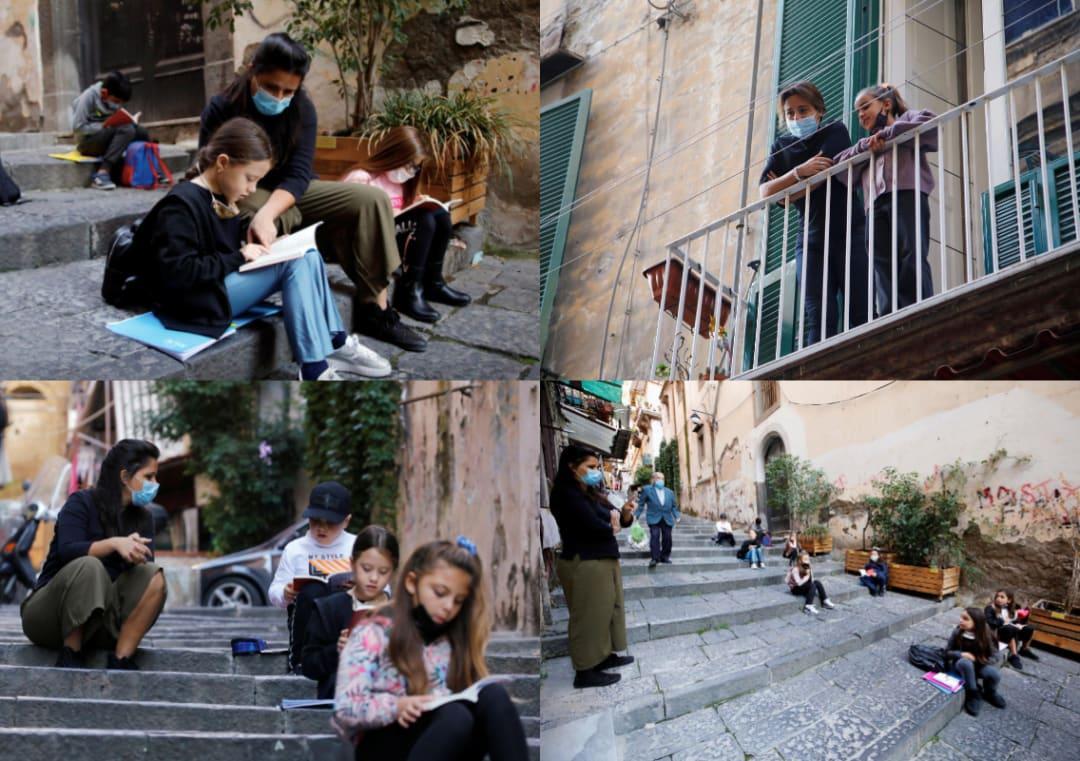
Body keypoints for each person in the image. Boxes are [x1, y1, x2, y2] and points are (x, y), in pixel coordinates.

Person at [199, 33, 426, 353]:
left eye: (288, 91)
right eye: (270, 87)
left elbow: (300, 173)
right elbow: (212, 171)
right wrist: (264, 210)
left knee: (371, 199)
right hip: (245, 188)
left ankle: (376, 308)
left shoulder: (302, 109)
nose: (278, 97)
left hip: (291, 190)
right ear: (252, 71)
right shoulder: (222, 107)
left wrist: (270, 212)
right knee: (259, 214)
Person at [134, 116, 390, 380]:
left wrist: (255, 247)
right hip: (192, 303)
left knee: (307, 253)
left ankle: (335, 341)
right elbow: (179, 272)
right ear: (223, 163)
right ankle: (314, 368)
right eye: (249, 179)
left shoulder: (222, 196)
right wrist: (239, 255)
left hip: (216, 286)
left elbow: (217, 251)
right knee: (294, 263)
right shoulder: (180, 204)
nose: (252, 189)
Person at [333, 539, 528, 761]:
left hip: (443, 738)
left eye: (458, 601)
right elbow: (345, 708)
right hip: (384, 745)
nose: (448, 607)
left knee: (494, 696)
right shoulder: (373, 632)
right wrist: (397, 706)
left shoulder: (452, 640)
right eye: (440, 592)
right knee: (456, 716)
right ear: (411, 582)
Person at [20, 439, 167, 669]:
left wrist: (136, 557)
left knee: (154, 576)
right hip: (49, 618)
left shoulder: (143, 518)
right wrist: (114, 544)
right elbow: (68, 551)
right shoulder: (81, 503)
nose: (155, 484)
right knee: (89, 566)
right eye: (149, 477)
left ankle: (121, 659)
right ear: (125, 477)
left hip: (102, 622)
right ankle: (71, 653)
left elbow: (142, 581)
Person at [759, 81, 870, 346]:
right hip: (810, 241)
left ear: (818, 111)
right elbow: (764, 192)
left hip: (850, 232)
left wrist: (787, 190)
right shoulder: (781, 146)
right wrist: (800, 171)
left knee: (860, 309)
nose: (796, 118)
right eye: (790, 113)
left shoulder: (834, 130)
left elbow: (822, 173)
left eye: (803, 110)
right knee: (819, 317)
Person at [341, 126, 472, 323]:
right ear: (393, 155)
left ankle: (433, 283)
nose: (411, 172)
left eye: (416, 167)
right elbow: (350, 222)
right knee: (424, 220)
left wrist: (419, 202)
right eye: (408, 165)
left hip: (396, 234)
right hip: (369, 240)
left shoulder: (402, 183)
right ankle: (409, 290)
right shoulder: (361, 178)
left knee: (439, 214)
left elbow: (402, 208)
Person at [834, 83, 938, 316]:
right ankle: (889, 313)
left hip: (907, 193)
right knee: (880, 259)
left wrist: (888, 134)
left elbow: (930, 122)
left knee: (910, 249)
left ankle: (917, 306)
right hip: (875, 205)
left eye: (865, 106)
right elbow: (840, 168)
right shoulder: (865, 147)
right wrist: (866, 147)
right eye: (857, 111)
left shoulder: (907, 119)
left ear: (886, 104)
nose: (860, 114)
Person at [549, 445, 633, 689]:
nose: (596, 472)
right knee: (588, 616)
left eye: (597, 467)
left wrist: (625, 513)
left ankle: (604, 656)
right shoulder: (565, 493)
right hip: (584, 560)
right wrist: (612, 526)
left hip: (602, 558)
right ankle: (585, 671)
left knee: (607, 611)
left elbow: (617, 517)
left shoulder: (590, 492)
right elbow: (592, 525)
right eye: (591, 467)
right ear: (572, 466)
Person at [269, 481, 358, 673]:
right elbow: (274, 592)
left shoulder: (357, 546)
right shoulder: (295, 549)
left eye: (330, 523)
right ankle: (300, 661)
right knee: (312, 591)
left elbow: (385, 591)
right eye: (316, 521)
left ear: (346, 521)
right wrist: (285, 592)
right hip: (307, 620)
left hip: (345, 619)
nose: (322, 528)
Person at [303, 526, 399, 699]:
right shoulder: (329, 609)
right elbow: (309, 666)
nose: (374, 578)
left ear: (392, 572)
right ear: (353, 564)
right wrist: (337, 650)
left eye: (383, 572)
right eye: (367, 569)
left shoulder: (400, 613)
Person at [71, 70, 160, 190]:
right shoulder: (89, 97)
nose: (118, 105)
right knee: (126, 130)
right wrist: (104, 126)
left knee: (140, 131)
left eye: (121, 103)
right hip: (88, 143)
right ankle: (102, 174)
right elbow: (78, 127)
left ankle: (153, 169)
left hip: (107, 135)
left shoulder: (112, 99)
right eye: (116, 102)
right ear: (104, 92)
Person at [947, 607, 1006, 716]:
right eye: (961, 617)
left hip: (979, 665)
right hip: (960, 665)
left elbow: (996, 656)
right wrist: (961, 654)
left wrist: (979, 660)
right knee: (965, 663)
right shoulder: (957, 632)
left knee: (994, 674)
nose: (961, 620)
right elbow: (947, 652)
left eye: (965, 619)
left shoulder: (986, 635)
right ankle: (973, 693)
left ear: (977, 622)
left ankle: (990, 693)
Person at [634, 471, 680, 569]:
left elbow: (674, 506)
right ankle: (655, 558)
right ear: (653, 479)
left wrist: (677, 516)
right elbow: (641, 503)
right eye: (659, 478)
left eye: (662, 478)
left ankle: (665, 557)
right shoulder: (647, 490)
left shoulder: (670, 492)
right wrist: (636, 515)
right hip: (653, 517)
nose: (661, 480)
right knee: (655, 536)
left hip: (667, 518)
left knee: (667, 538)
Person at [985, 589, 1039, 669]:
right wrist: (1002, 621)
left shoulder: (1009, 609)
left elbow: (1013, 621)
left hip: (1009, 631)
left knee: (1029, 628)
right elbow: (990, 622)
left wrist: (1018, 625)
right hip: (997, 633)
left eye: (1002, 597)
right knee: (1010, 628)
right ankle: (1014, 655)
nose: (998, 599)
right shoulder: (990, 608)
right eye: (997, 596)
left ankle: (1024, 649)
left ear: (1009, 600)